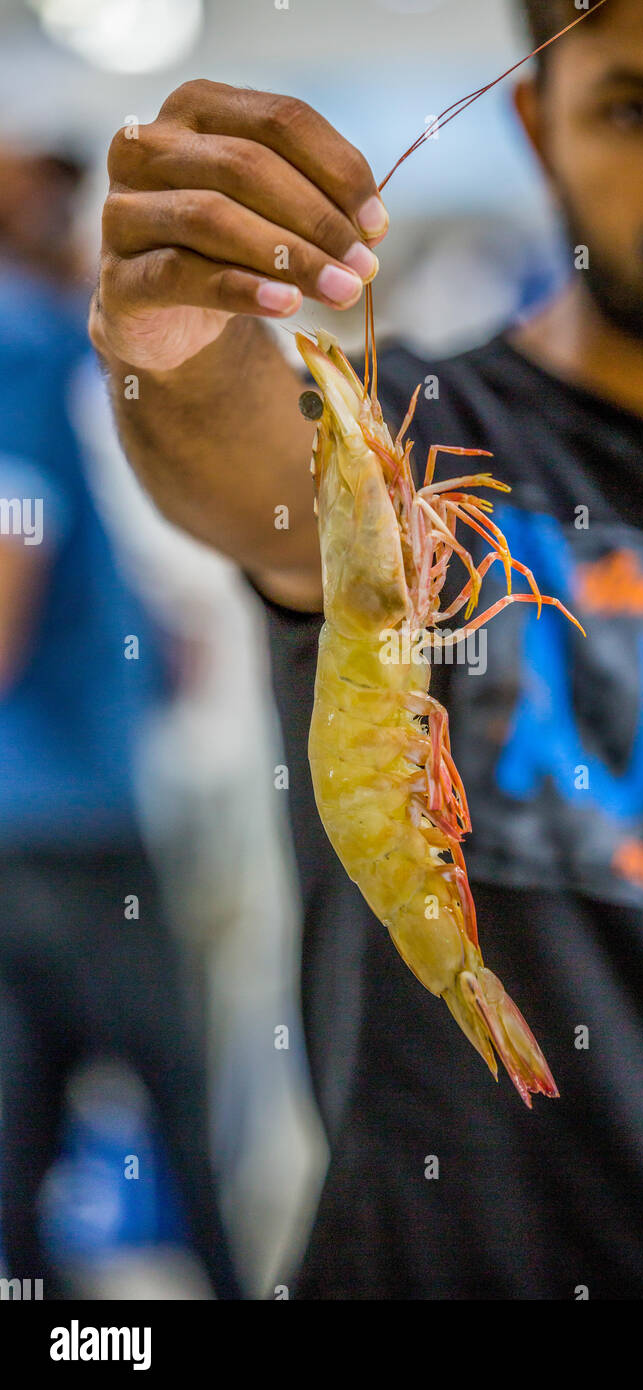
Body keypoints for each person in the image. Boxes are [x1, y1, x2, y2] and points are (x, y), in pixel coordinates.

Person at [88, 0, 643, 1298]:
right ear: (536, 120)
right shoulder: (430, 420)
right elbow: (259, 477)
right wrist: (176, 349)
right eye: (642, 107)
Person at [0, 146, 242, 1299]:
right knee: (176, 1112)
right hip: (64, 824)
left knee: (29, 1120)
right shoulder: (20, 334)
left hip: (54, 805)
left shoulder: (39, 342)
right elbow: (11, 545)